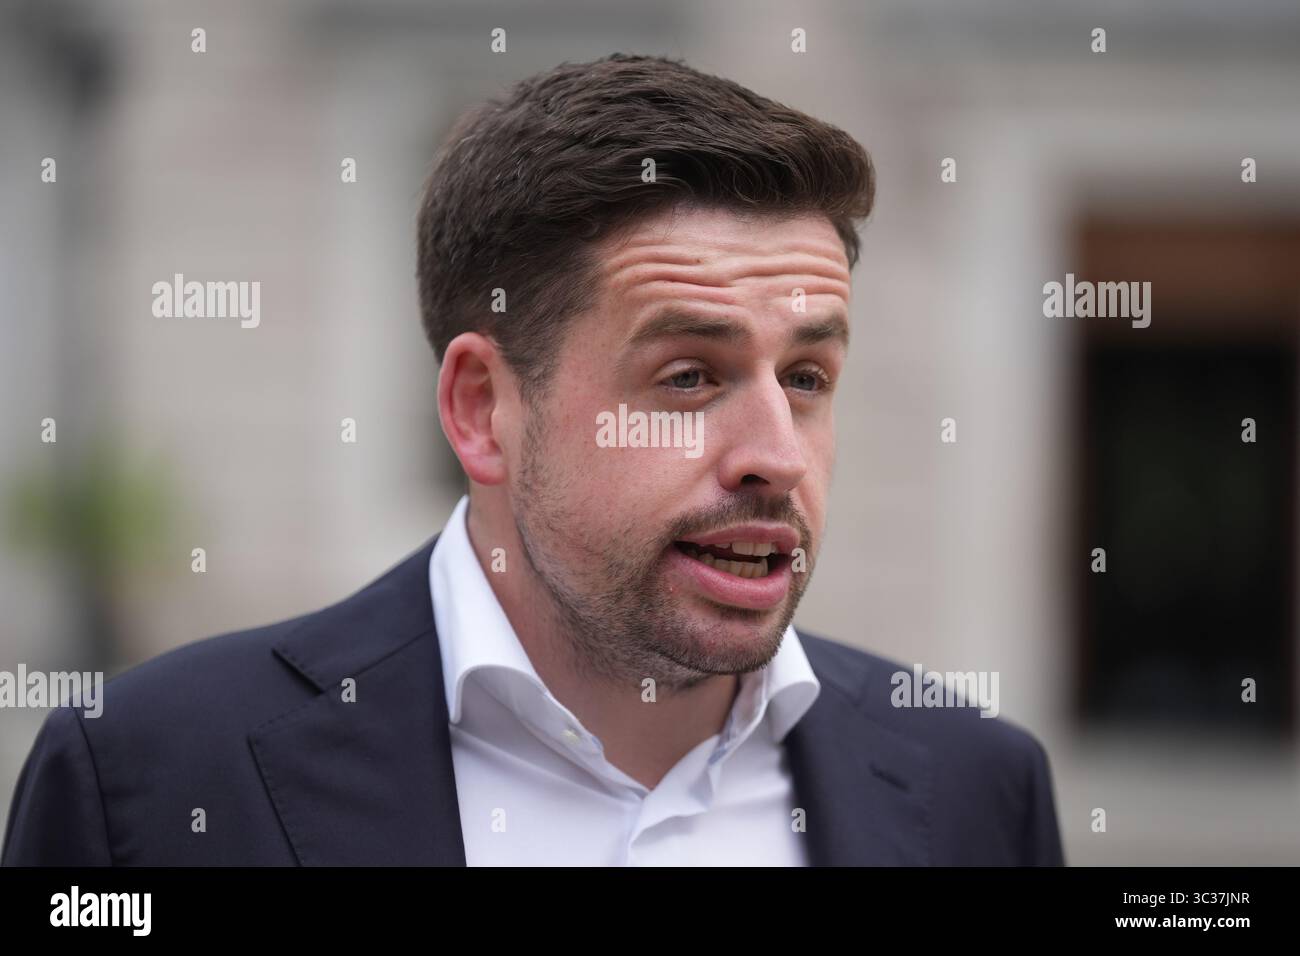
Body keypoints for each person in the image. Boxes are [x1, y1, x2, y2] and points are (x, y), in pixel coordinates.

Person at [3, 53, 1064, 866]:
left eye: (806, 378)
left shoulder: (976, 784)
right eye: (688, 376)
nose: (776, 456)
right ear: (483, 408)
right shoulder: (148, 777)